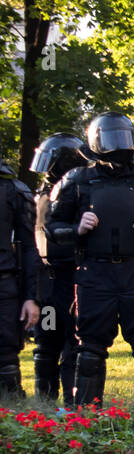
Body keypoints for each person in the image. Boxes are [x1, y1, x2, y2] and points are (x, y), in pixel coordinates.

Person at [45, 112, 134, 406]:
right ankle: (85, 415)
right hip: (95, 273)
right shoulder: (76, 180)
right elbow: (52, 228)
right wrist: (77, 229)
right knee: (90, 348)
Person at [28, 133, 86, 402]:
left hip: (71, 280)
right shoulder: (40, 194)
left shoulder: (79, 196)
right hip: (47, 284)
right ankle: (45, 400)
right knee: (47, 341)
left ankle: (73, 403)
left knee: (73, 343)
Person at [0, 160, 39, 396]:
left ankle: (13, 416)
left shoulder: (12, 190)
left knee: (6, 356)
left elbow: (28, 248)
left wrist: (31, 297)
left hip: (5, 284)